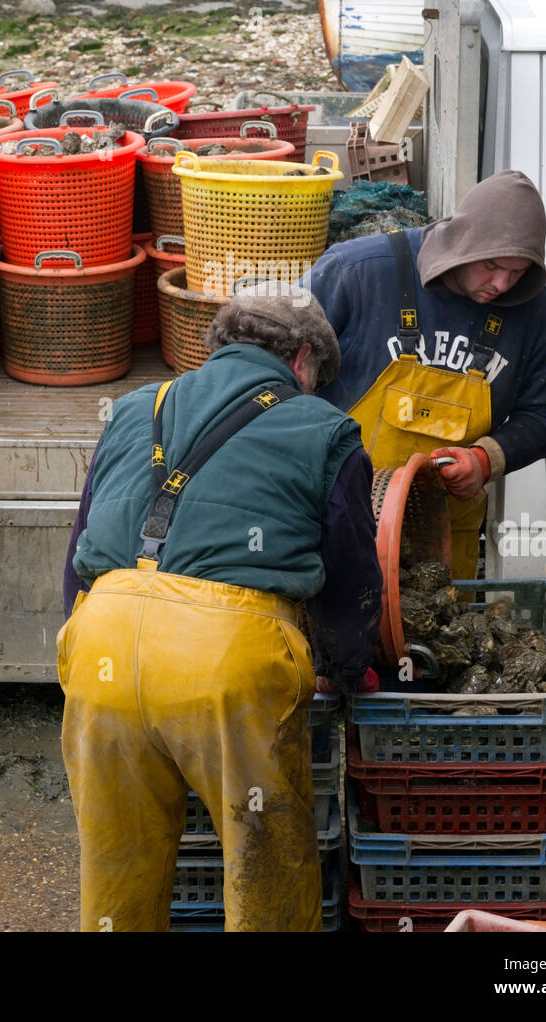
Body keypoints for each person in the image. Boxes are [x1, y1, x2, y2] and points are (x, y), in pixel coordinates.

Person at [58, 286, 382, 933]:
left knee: (116, 868)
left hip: (101, 643)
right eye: (317, 378)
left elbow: (80, 553)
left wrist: (80, 651)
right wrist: (347, 670)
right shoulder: (327, 431)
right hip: (225, 660)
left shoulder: (132, 408)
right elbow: (350, 579)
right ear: (302, 360)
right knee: (267, 871)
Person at [304, 169, 546, 581]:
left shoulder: (538, 313)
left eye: (518, 272)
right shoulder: (357, 272)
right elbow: (275, 369)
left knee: (441, 637)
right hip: (338, 514)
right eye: (491, 265)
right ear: (463, 241)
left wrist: (485, 460)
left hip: (446, 532)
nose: (502, 284)